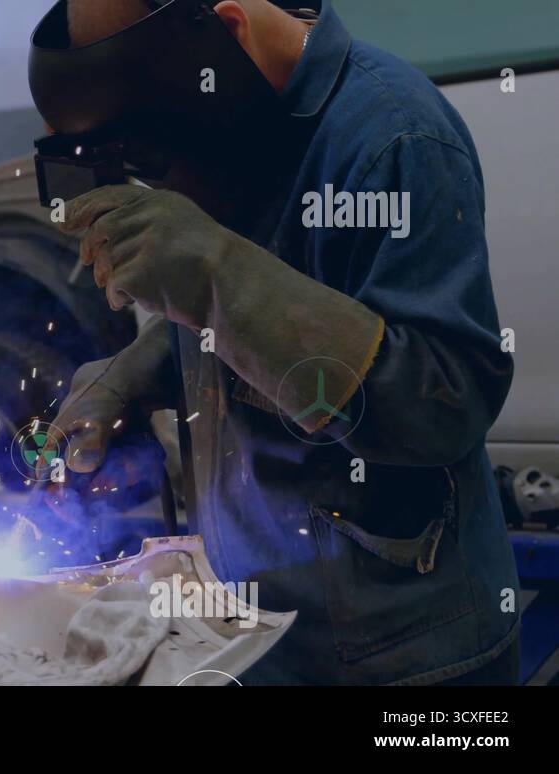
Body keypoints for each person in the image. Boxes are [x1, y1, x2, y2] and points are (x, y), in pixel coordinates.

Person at [36, 0, 519, 684]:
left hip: (404, 663)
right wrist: (127, 376)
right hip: (259, 642)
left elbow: (441, 400)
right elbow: (224, 334)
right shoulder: (227, 125)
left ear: (227, 30)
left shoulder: (394, 137)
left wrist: (213, 271)